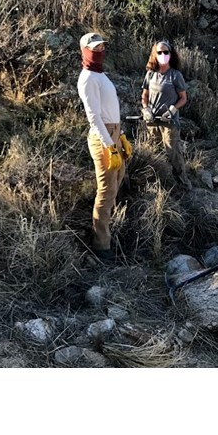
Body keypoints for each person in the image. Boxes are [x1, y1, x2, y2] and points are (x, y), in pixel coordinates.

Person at [77, 32, 130, 262]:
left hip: (113, 133)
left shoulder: (100, 75)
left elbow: (109, 109)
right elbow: (94, 117)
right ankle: (102, 247)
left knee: (116, 185)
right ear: (85, 50)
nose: (99, 52)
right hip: (103, 138)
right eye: (94, 49)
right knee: (106, 191)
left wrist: (121, 136)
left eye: (101, 49)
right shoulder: (87, 78)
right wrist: (110, 145)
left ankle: (109, 232)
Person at [141, 39, 191, 189]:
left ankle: (183, 183)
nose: (163, 55)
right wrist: (146, 109)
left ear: (171, 54)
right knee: (154, 150)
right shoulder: (150, 74)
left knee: (173, 153)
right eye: (159, 52)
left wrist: (172, 110)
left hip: (169, 122)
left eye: (166, 52)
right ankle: (158, 182)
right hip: (152, 121)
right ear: (154, 55)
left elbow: (183, 98)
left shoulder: (175, 75)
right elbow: (144, 96)